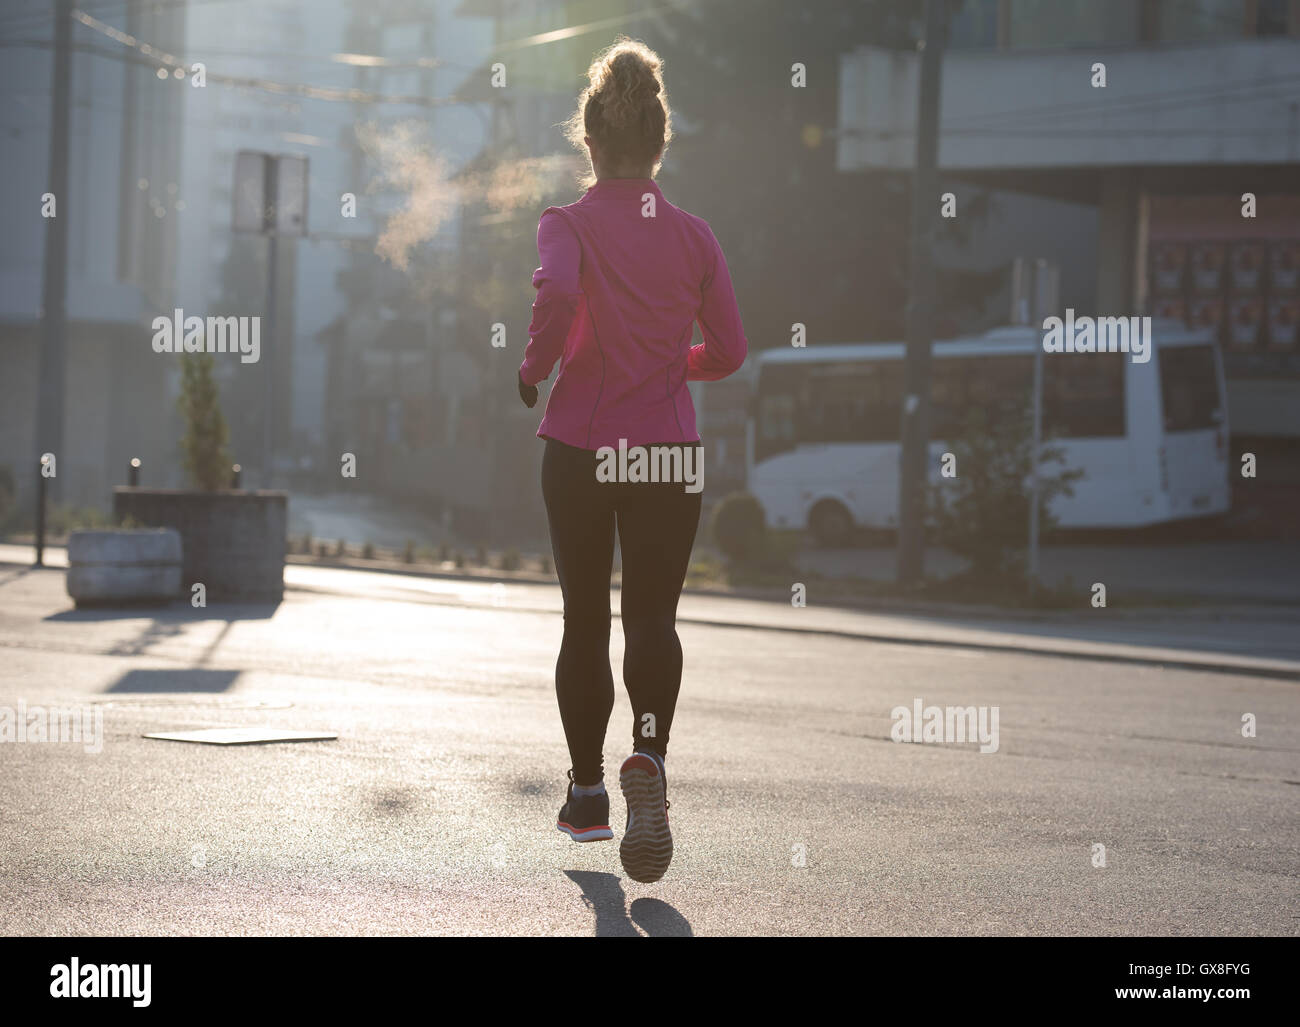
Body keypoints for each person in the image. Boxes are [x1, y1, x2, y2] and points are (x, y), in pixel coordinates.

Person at [516, 37, 747, 884]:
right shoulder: (692, 236)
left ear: (589, 140)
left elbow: (561, 292)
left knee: (584, 618)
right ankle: (649, 757)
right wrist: (670, 364)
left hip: (581, 445)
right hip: (666, 453)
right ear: (660, 143)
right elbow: (729, 347)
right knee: (653, 619)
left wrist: (537, 367)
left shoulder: (565, 224)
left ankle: (586, 795)